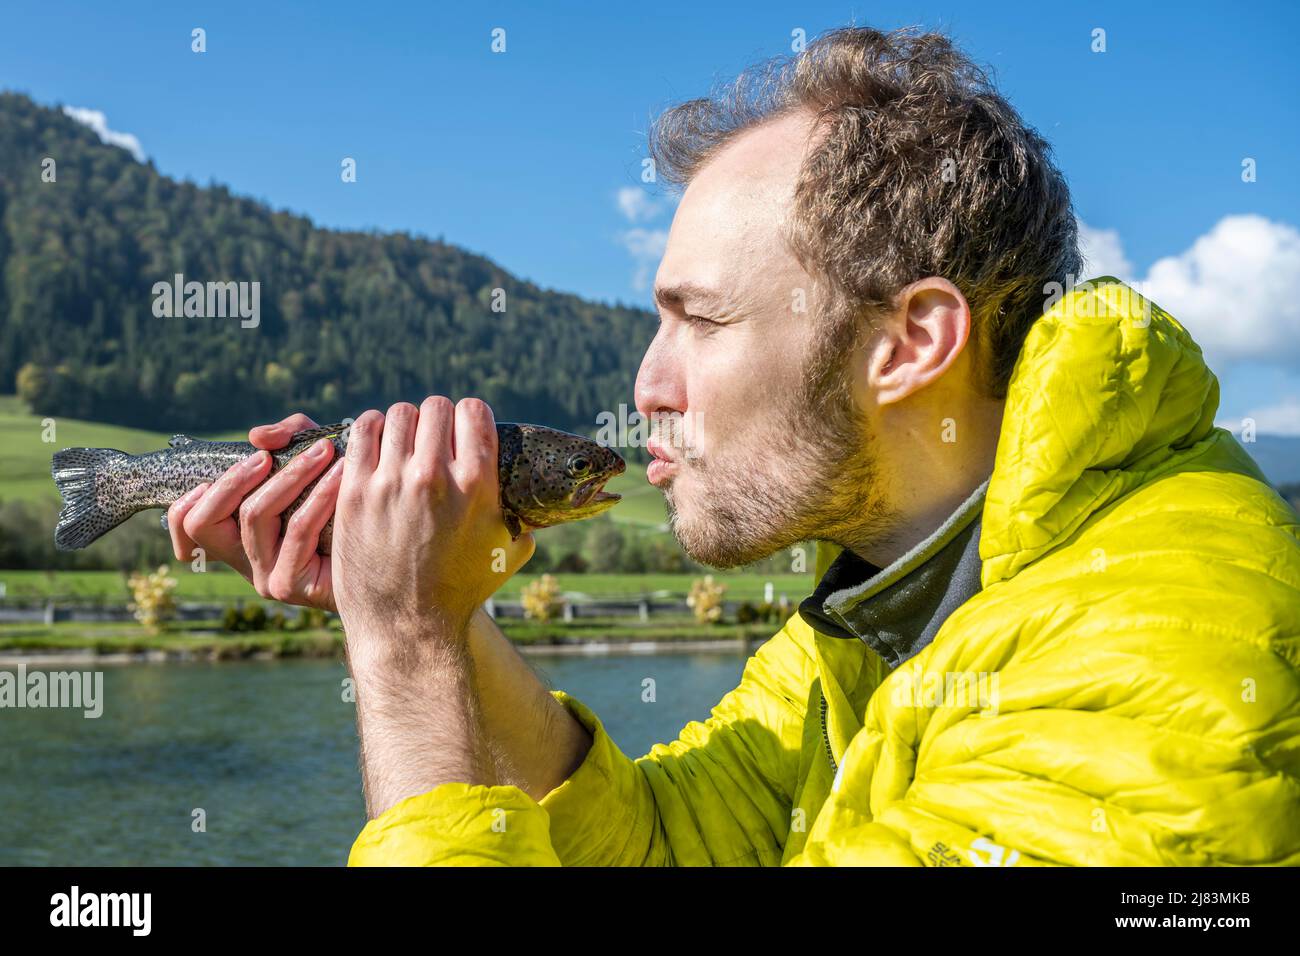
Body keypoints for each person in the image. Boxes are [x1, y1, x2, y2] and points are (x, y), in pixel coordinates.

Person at [169, 27, 1300, 866]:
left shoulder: (1151, 673)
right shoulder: (887, 604)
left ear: (910, 344)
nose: (645, 387)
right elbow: (664, 843)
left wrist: (405, 648)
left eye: (700, 320)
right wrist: (442, 609)